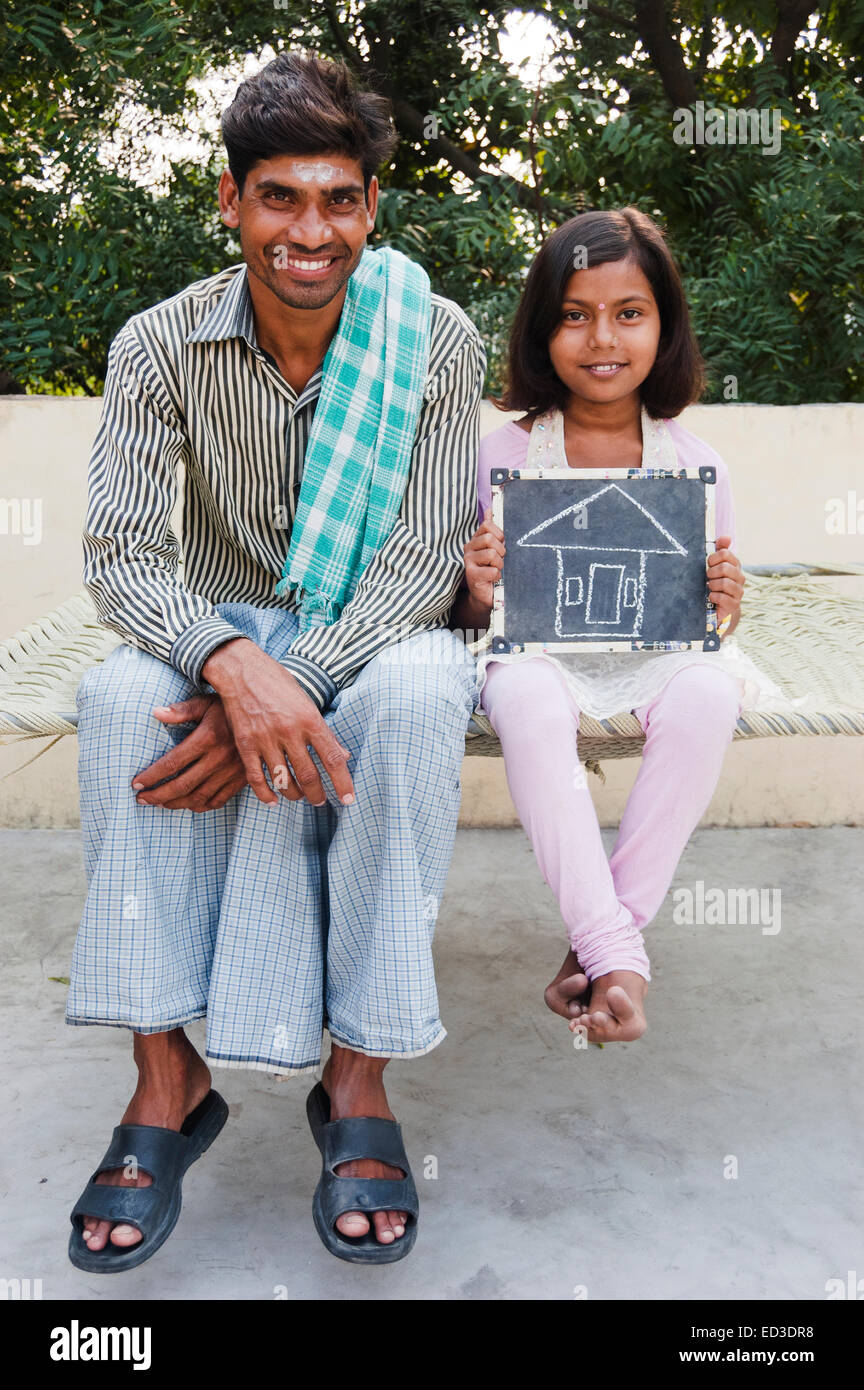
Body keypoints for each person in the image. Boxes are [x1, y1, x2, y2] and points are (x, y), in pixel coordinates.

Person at [66, 50, 485, 1269]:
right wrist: (229, 660)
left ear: (371, 206)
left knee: (413, 692)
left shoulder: (433, 338)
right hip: (218, 621)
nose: (312, 232)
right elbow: (121, 555)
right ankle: (165, 1079)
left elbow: (422, 561)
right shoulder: (157, 345)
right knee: (114, 695)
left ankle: (359, 1079)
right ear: (231, 202)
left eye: (339, 199)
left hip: (368, 626)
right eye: (281, 199)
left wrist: (296, 677)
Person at [450, 207, 785, 1046]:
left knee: (709, 695)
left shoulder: (696, 462)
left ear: (663, 328)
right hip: (539, 657)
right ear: (542, 331)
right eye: (575, 314)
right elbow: (461, 613)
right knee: (522, 696)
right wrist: (477, 588)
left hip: (654, 660)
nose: (603, 337)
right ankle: (618, 955)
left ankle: (601, 940)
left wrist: (724, 592)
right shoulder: (503, 456)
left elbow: (713, 615)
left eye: (628, 313)